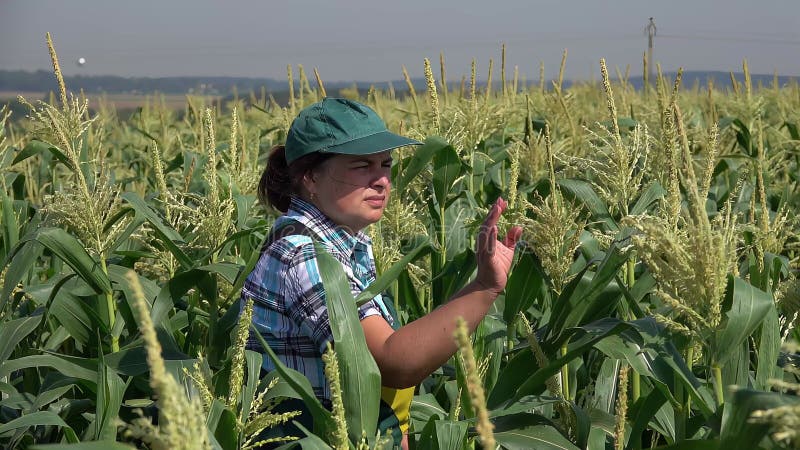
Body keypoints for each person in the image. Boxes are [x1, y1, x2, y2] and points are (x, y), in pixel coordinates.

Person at [242, 97, 522, 449]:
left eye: (386, 164)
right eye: (362, 166)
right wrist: (484, 287)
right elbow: (393, 360)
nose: (381, 181)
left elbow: (368, 377)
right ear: (311, 177)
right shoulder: (303, 256)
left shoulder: (345, 241)